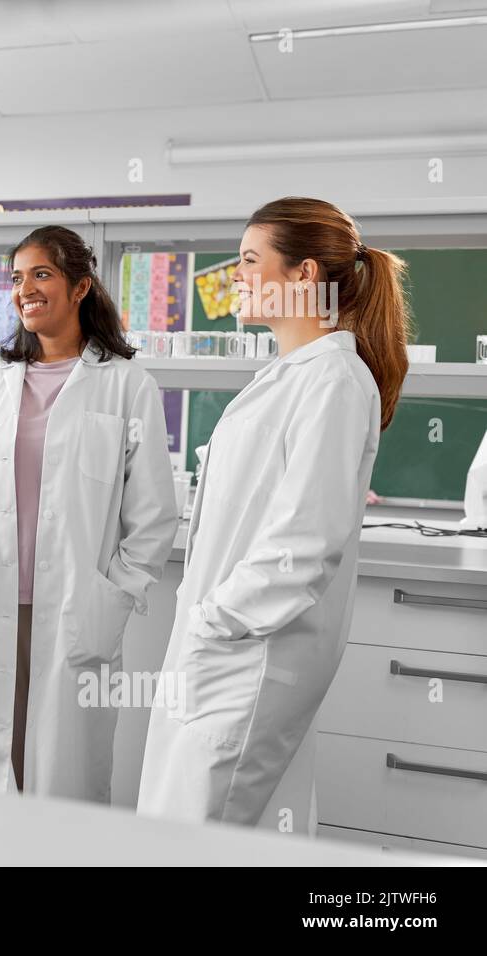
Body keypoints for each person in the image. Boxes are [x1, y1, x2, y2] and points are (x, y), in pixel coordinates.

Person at [137, 197, 407, 830]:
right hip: (230, 651)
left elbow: (307, 542)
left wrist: (216, 621)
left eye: (250, 259)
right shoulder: (291, 374)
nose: (234, 274)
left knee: (198, 831)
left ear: (304, 275)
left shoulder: (335, 381)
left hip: (248, 653)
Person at [0, 225, 177, 799]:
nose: (25, 289)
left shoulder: (126, 385)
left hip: (73, 608)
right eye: (17, 278)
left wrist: (111, 596)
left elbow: (154, 514)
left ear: (81, 286)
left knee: (66, 779)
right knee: (0, 765)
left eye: (42, 274)